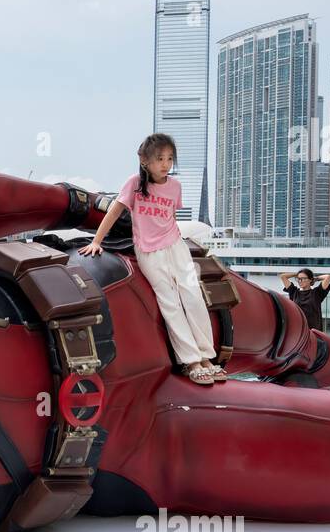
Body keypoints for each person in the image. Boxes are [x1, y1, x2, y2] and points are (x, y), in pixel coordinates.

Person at [79, 133, 226, 385]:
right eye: (159, 158)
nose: (166, 164)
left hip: (176, 247)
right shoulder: (134, 184)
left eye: (169, 158)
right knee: (170, 302)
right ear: (144, 160)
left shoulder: (175, 187)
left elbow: (169, 218)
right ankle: (190, 360)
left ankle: (206, 357)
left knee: (192, 295)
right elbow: (115, 212)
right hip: (148, 251)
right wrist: (96, 241)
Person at [277, 268, 330, 332]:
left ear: (310, 280)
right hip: (298, 329)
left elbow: (328, 277)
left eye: (303, 278)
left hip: (313, 330)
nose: (300, 281)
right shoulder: (294, 291)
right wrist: (297, 274)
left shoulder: (317, 292)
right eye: (298, 279)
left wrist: (316, 279)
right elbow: (283, 276)